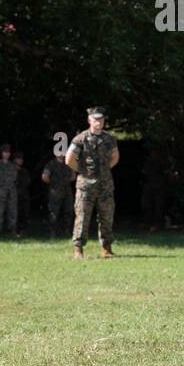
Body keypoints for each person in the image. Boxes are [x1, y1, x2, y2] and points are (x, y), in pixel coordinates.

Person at [66, 106, 120, 258]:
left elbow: (115, 157)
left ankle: (107, 249)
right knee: (82, 216)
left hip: (106, 184)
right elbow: (69, 159)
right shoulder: (80, 138)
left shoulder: (109, 139)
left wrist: (104, 170)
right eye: (96, 119)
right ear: (89, 120)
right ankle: (78, 249)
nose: (99, 122)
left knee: (107, 216)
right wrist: (83, 171)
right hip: (86, 185)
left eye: (101, 119)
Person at [42, 151, 76, 236]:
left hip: (67, 191)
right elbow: (45, 177)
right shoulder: (51, 164)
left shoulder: (68, 163)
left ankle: (66, 230)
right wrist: (54, 184)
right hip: (55, 191)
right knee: (54, 212)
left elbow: (73, 176)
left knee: (68, 211)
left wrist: (65, 182)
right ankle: (52, 231)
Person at [14, 151, 31, 234]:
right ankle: (15, 230)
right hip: (14, 195)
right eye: (18, 159)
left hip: (24, 195)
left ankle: (23, 230)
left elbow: (27, 182)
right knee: (15, 213)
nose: (20, 161)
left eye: (21, 159)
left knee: (24, 213)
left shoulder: (24, 171)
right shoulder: (11, 170)